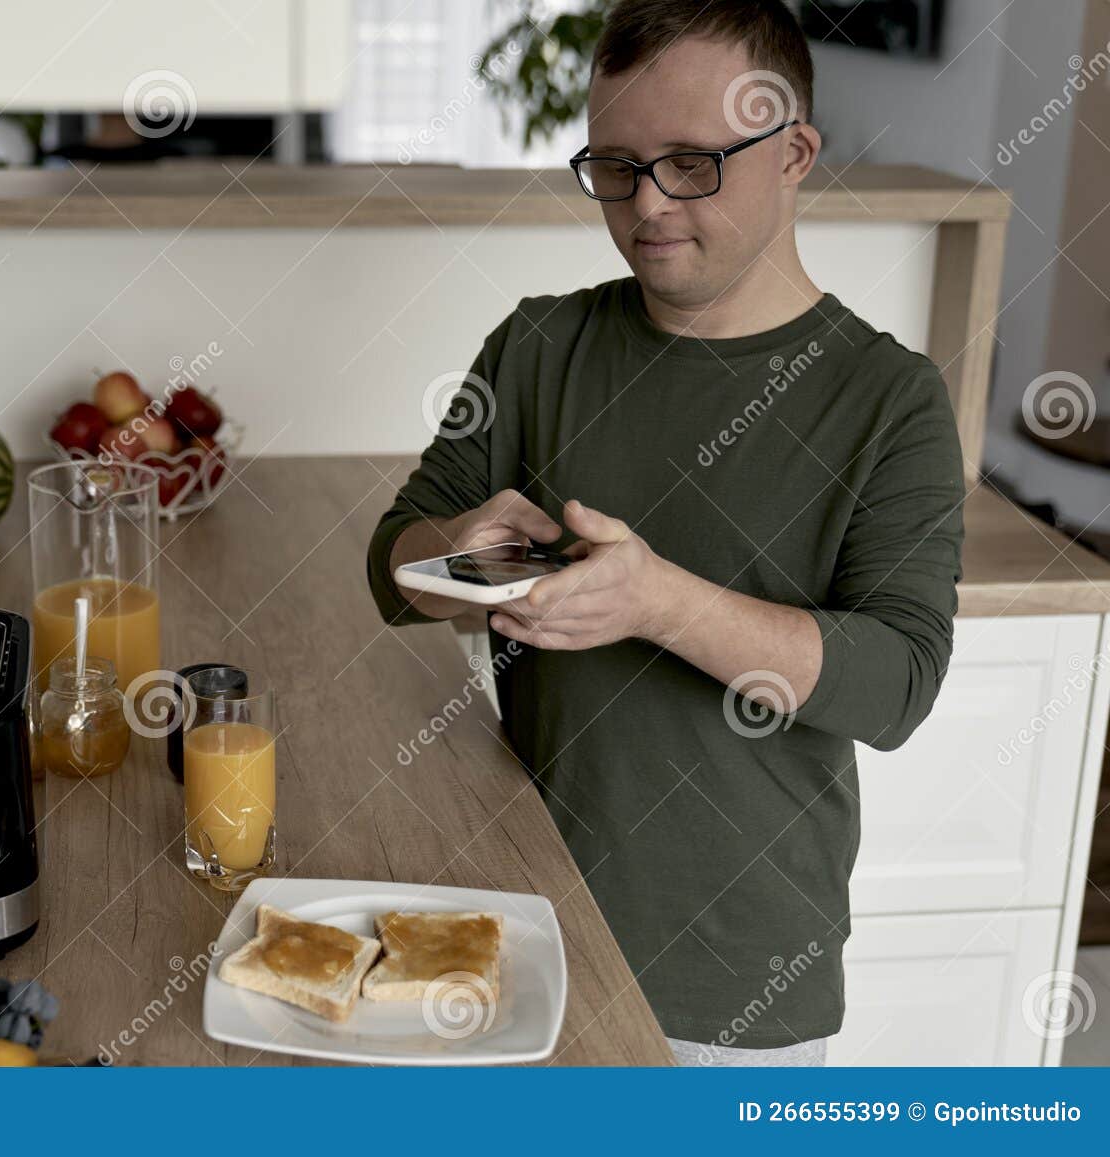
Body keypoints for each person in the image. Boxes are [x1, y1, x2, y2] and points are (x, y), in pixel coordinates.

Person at [365, 0, 964, 1067]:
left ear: (793, 155)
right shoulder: (540, 343)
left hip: (732, 979)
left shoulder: (890, 399)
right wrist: (462, 546)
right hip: (517, 931)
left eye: (691, 163)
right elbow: (390, 567)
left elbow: (897, 683)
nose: (645, 204)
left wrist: (657, 601)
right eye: (614, 165)